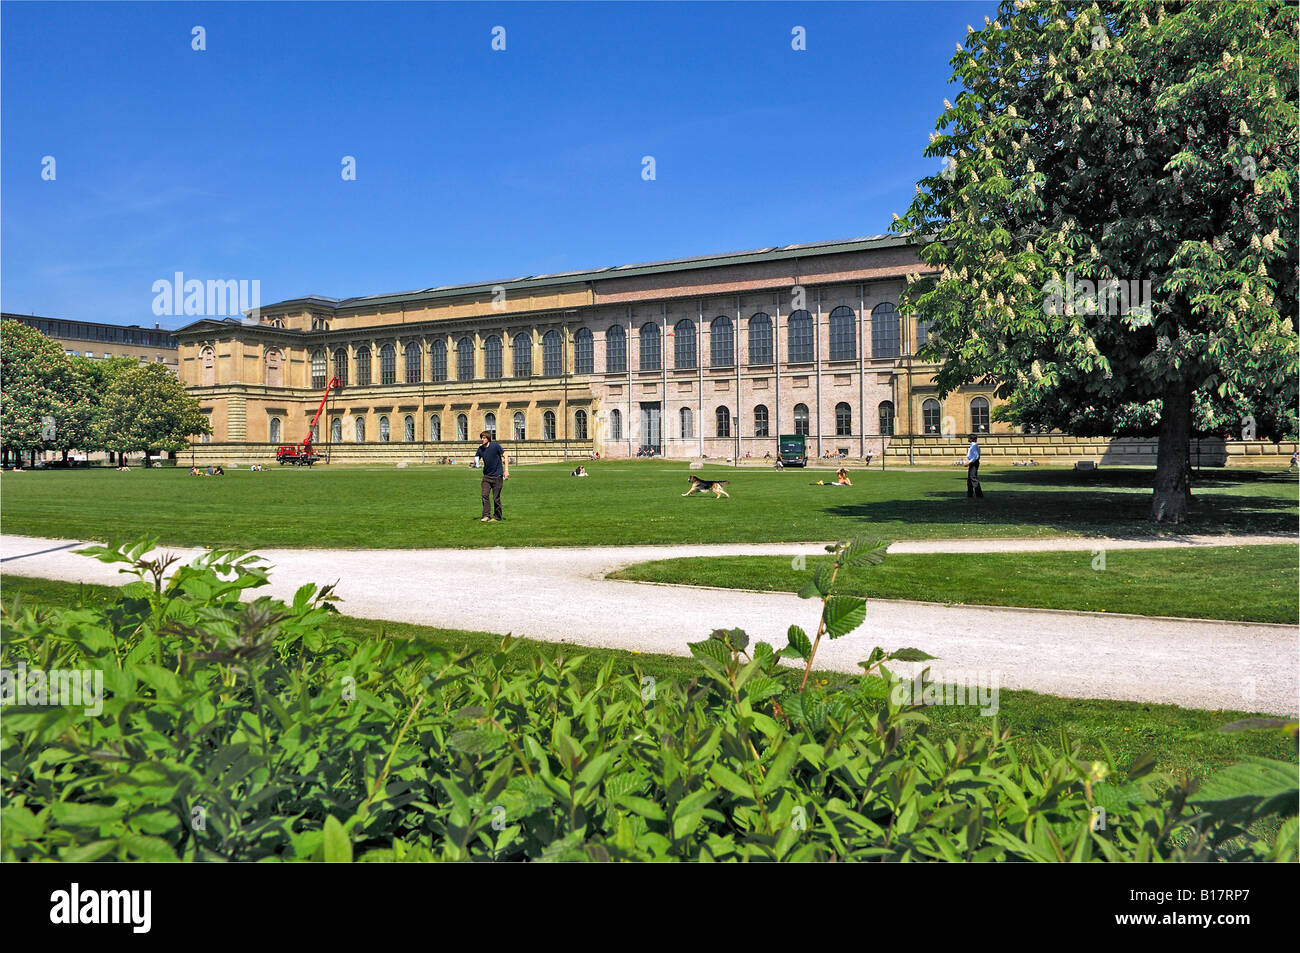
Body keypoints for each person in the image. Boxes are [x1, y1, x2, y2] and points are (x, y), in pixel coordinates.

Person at [475, 430, 508, 522]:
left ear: (488, 438)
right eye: (481, 437)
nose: (482, 439)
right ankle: (486, 515)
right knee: (484, 495)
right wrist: (476, 462)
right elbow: (476, 458)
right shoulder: (480, 449)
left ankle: (497, 517)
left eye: (484, 438)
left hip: (497, 476)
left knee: (496, 498)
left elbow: (505, 455)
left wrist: (506, 470)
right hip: (486, 477)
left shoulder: (495, 446)